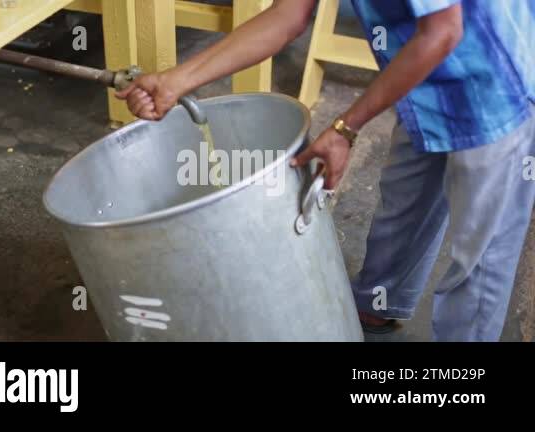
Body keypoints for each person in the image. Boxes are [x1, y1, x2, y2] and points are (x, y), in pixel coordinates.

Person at [116, 0, 535, 342]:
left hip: (494, 84)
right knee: (405, 203)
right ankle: (378, 306)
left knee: (479, 258)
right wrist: (175, 82)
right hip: (423, 84)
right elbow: (287, 15)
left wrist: (345, 128)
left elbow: (444, 31)